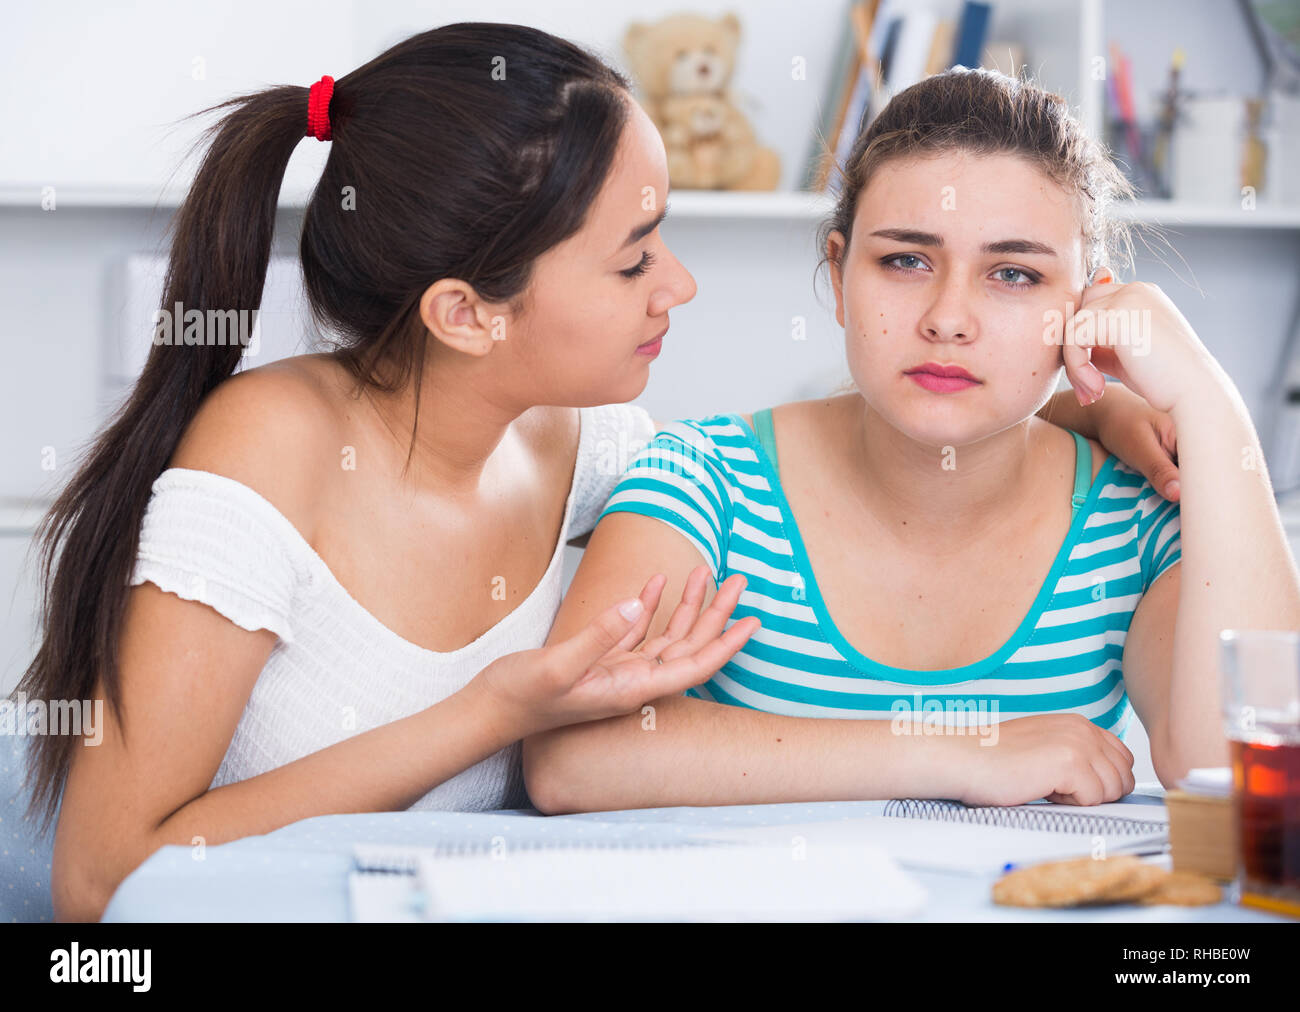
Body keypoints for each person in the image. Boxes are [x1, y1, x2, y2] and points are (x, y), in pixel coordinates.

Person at [22, 29, 1177, 921]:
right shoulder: (268, 451)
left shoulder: (591, 450)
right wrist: (493, 709)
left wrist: (1095, 400)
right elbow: (100, 883)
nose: (677, 285)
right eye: (633, 258)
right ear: (468, 314)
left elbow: (893, 428)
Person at [522, 67, 1300, 816]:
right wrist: (961, 751)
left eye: (1015, 275)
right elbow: (570, 757)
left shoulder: (1134, 521)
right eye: (905, 260)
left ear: (1089, 307)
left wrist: (1205, 397)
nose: (948, 318)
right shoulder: (702, 478)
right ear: (838, 274)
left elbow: (1233, 767)